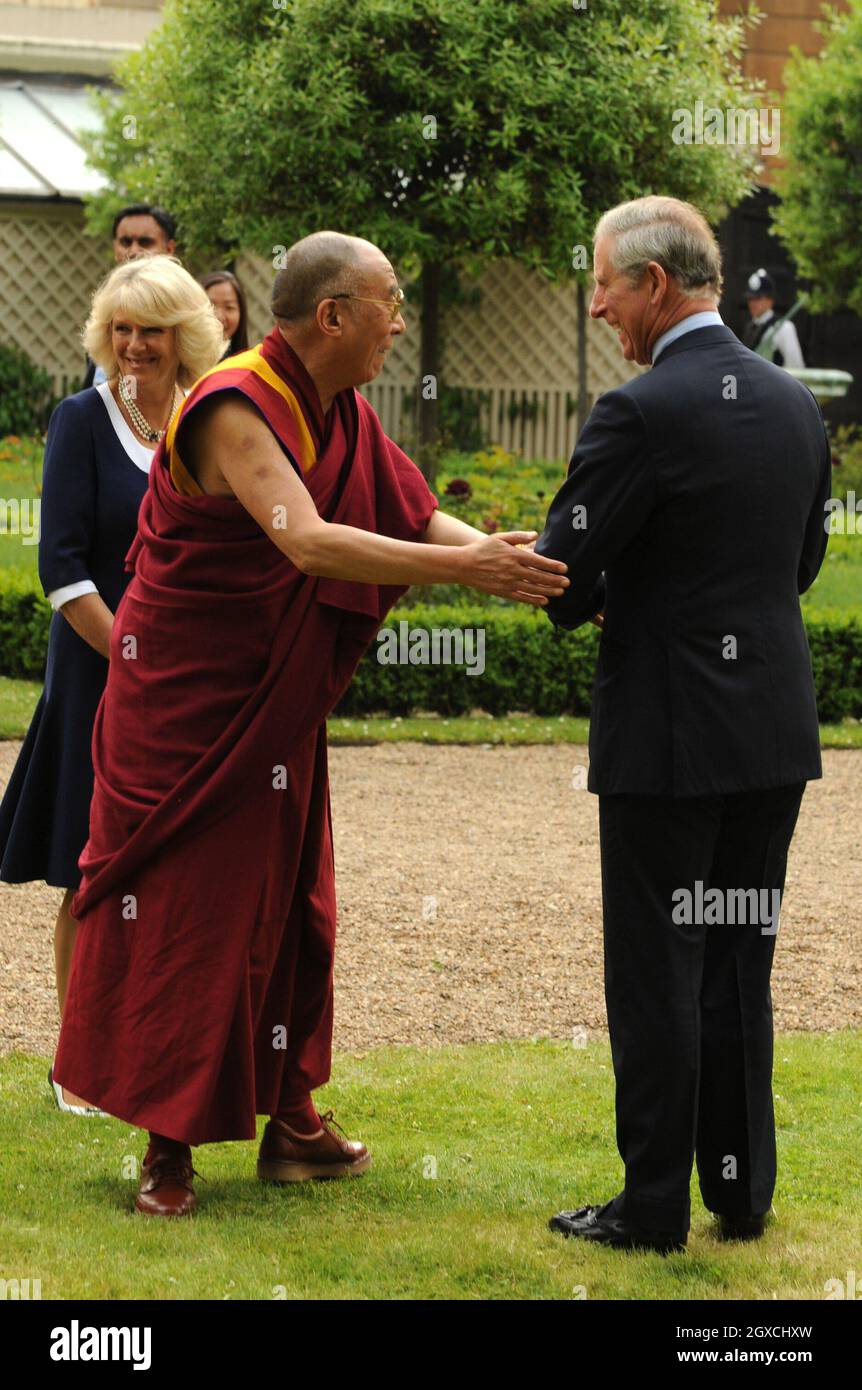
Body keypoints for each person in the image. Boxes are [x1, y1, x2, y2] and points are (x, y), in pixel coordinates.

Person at [51, 231, 569, 1217]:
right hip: (185, 707)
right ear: (333, 316)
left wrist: (525, 571)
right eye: (390, 301)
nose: (401, 320)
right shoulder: (238, 402)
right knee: (190, 918)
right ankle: (167, 1146)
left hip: (271, 709)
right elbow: (312, 543)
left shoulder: (337, 408)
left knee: (291, 907)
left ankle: (291, 1118)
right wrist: (473, 569)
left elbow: (414, 516)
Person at [534, 196, 830, 1254]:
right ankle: (741, 1194)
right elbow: (797, 568)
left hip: (666, 736)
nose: (597, 305)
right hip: (771, 732)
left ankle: (653, 1202)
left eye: (606, 285)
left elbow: (562, 575)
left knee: (657, 967)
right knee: (737, 961)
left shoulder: (638, 412)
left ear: (655, 284)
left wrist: (604, 588)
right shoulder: (796, 406)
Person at [0, 256, 224, 1114]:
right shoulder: (80, 420)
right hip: (100, 676)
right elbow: (60, 568)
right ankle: (76, 1065)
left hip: (194, 682)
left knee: (175, 874)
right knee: (90, 869)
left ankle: (160, 1054)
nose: (135, 346)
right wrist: (136, 658)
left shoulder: (209, 416)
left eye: (153, 330)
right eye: (122, 329)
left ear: (185, 336)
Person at [81, 205, 178, 389]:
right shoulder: (106, 306)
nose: (133, 251)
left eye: (145, 242)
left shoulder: (185, 309)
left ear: (169, 248)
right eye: (125, 242)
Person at [742, 268, 805, 369]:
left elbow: (796, 366)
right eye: (750, 298)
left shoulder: (784, 328)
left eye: (758, 298)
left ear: (770, 300)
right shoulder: (750, 327)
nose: (753, 303)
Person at [199, 270, 249, 357]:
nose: (219, 317)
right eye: (210, 306)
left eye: (229, 307)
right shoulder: (180, 364)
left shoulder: (247, 366)